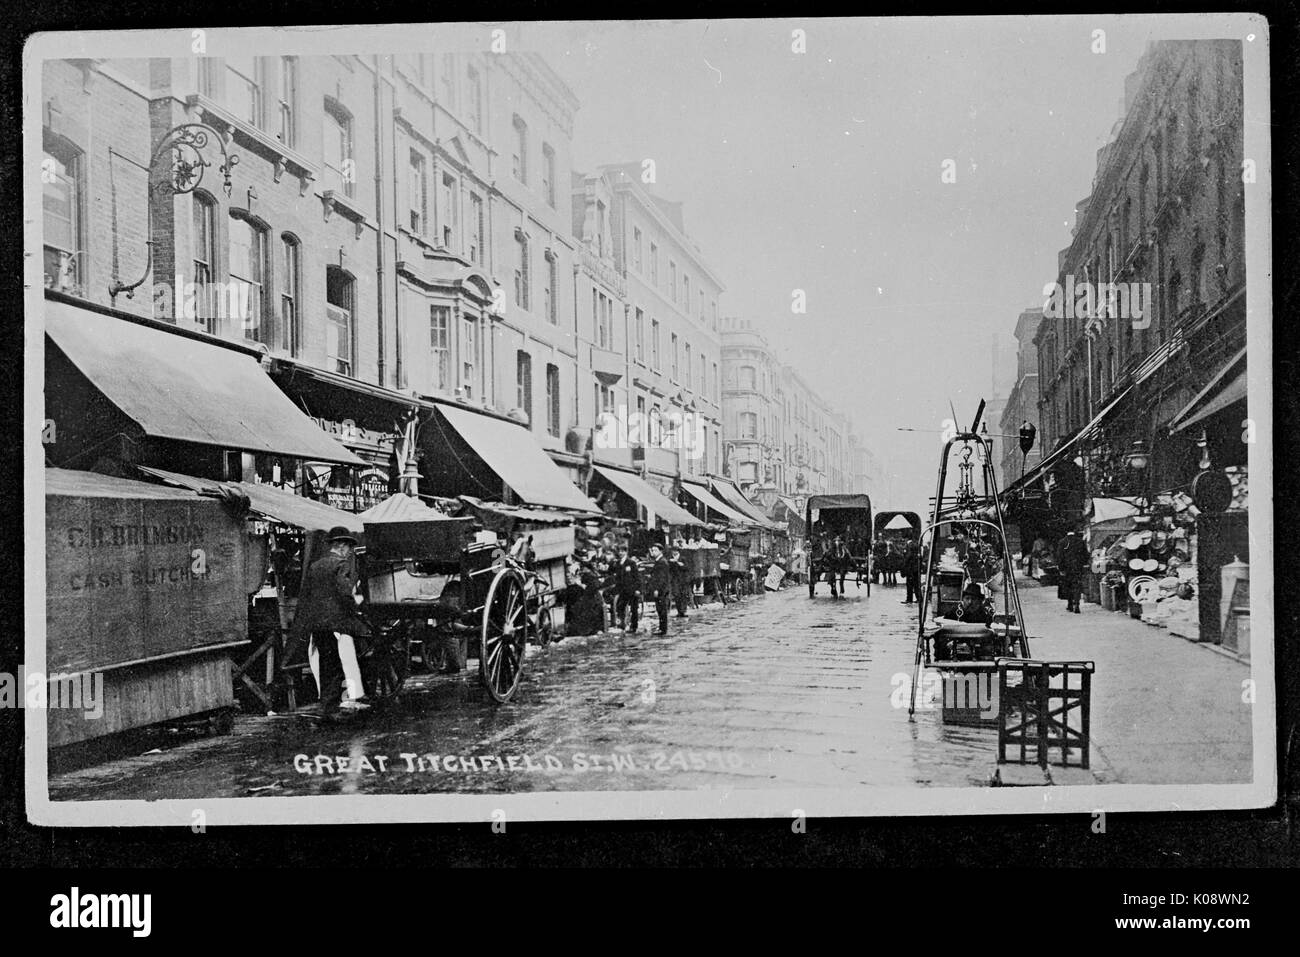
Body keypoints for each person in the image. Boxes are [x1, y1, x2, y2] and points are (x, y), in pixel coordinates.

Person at [289, 526, 372, 720]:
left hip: (317, 623)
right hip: (336, 622)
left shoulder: (315, 566)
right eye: (349, 547)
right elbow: (345, 592)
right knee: (337, 662)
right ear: (341, 546)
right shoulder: (341, 565)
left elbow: (307, 594)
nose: (350, 551)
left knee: (326, 663)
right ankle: (336, 705)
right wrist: (355, 607)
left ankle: (326, 705)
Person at [1056, 530, 1089, 613]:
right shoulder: (1080, 542)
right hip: (1078, 568)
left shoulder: (1062, 542)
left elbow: (1059, 556)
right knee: (1077, 585)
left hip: (1067, 569)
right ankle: (1077, 604)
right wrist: (1083, 564)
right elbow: (1085, 555)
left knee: (1068, 586)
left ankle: (1070, 604)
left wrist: (1061, 568)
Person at [646, 543, 672, 635]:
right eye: (652, 550)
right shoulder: (659, 561)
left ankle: (663, 629)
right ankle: (662, 628)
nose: (653, 552)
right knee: (660, 609)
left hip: (661, 590)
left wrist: (657, 589)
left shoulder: (662, 562)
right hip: (661, 589)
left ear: (660, 551)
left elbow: (661, 578)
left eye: (655, 550)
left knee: (662, 609)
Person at [669, 547, 691, 617]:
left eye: (675, 551)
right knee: (676, 595)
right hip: (675, 579)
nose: (673, 553)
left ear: (678, 552)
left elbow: (687, 568)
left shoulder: (683, 558)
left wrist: (679, 564)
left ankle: (683, 611)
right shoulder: (670, 559)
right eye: (673, 551)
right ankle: (679, 611)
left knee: (683, 595)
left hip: (683, 579)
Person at [901, 537, 922, 604]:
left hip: (910, 568)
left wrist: (904, 563)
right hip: (916, 568)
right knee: (916, 584)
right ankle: (919, 598)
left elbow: (908, 556)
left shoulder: (909, 545)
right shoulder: (916, 544)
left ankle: (909, 599)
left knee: (909, 584)